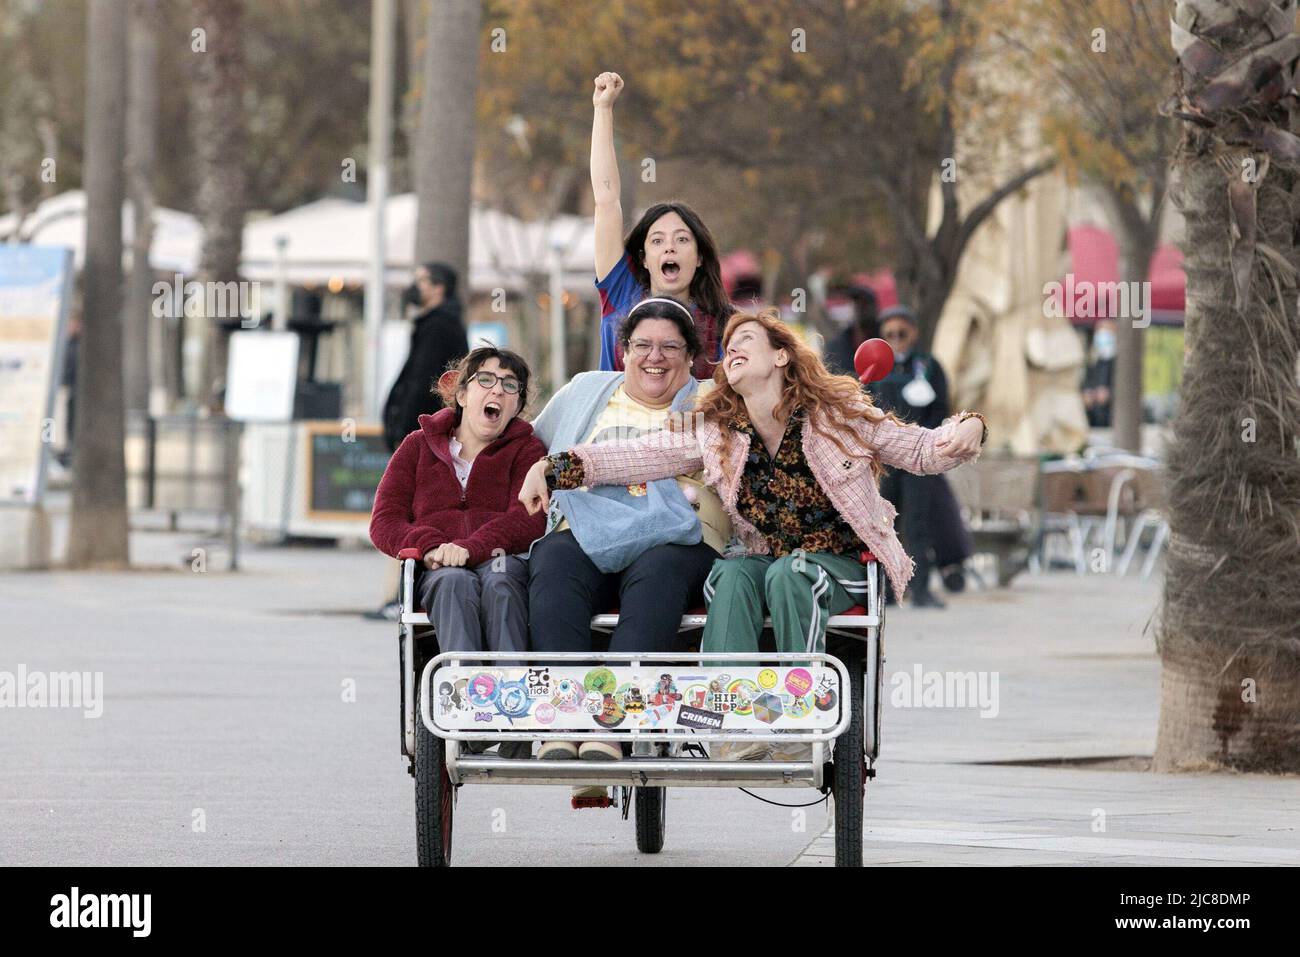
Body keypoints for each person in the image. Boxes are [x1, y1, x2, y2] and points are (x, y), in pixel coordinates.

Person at [520, 308, 988, 757]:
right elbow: (638, 455)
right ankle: (728, 723)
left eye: (745, 340)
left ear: (781, 356)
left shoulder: (838, 413)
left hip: (841, 562)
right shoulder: (719, 432)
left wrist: (971, 426)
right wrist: (555, 468)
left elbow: (924, 449)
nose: (731, 350)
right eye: (726, 347)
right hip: (771, 560)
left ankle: (797, 717)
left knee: (791, 573)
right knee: (732, 575)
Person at [524, 296, 732, 765]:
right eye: (642, 345)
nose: (654, 357)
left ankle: (611, 724)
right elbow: (523, 444)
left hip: (679, 532)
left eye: (669, 347)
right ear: (623, 351)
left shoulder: (713, 399)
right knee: (553, 560)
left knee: (659, 570)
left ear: (691, 354)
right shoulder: (585, 390)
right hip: (586, 524)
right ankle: (564, 717)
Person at [370, 347, 547, 758]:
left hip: (501, 558)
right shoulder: (418, 446)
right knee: (452, 584)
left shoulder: (527, 450)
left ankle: (514, 712)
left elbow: (529, 518)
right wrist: (430, 545)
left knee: (502, 583)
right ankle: (471, 709)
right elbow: (385, 521)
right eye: (485, 380)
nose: (497, 392)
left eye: (510, 386)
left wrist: (469, 548)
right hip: (440, 566)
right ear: (462, 394)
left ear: (518, 404)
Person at [590, 71, 731, 379]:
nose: (669, 246)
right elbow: (606, 201)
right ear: (643, 259)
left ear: (699, 257)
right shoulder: (621, 293)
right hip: (620, 427)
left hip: (691, 426)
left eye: (682, 240)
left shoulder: (723, 326)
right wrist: (603, 109)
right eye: (657, 241)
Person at [867, 305, 963, 608]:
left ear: (914, 333)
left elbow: (942, 406)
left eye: (902, 333)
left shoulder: (929, 366)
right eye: (889, 334)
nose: (896, 339)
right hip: (885, 459)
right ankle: (888, 591)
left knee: (917, 523)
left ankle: (920, 589)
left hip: (920, 457)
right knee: (885, 524)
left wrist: (931, 445)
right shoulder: (874, 367)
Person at [382, 262, 470, 453]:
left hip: (426, 435)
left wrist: (406, 431)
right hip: (430, 433)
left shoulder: (438, 326)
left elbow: (422, 382)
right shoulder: (439, 323)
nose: (415, 286)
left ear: (439, 288)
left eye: (422, 280)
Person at [821, 283, 880, 378]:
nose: (859, 309)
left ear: (874, 307)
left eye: (864, 304)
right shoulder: (836, 345)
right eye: (855, 304)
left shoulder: (887, 338)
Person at [1082, 319, 1116, 427]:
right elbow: (1086, 384)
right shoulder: (1093, 361)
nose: (1102, 335)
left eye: (1107, 331)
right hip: (1093, 421)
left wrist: (1110, 394)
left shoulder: (1123, 363)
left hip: (1113, 422)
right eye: (1099, 331)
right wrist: (1087, 394)